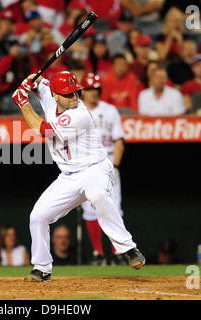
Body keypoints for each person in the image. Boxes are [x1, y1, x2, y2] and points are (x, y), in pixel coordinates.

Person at [12, 71, 145, 282]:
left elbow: (41, 129)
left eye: (76, 93)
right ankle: (42, 268)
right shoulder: (50, 94)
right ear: (55, 95)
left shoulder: (79, 114)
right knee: (37, 216)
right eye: (68, 94)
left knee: (97, 194)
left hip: (96, 169)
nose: (74, 98)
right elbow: (39, 79)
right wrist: (30, 80)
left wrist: (23, 102)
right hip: (68, 176)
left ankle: (128, 249)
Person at [80, 73, 125, 265]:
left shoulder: (110, 110)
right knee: (90, 210)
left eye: (96, 89)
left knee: (114, 207)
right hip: (85, 163)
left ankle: (118, 251)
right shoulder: (75, 111)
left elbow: (119, 142)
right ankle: (98, 253)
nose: (93, 93)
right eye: (89, 89)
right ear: (82, 92)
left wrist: (115, 165)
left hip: (106, 159)